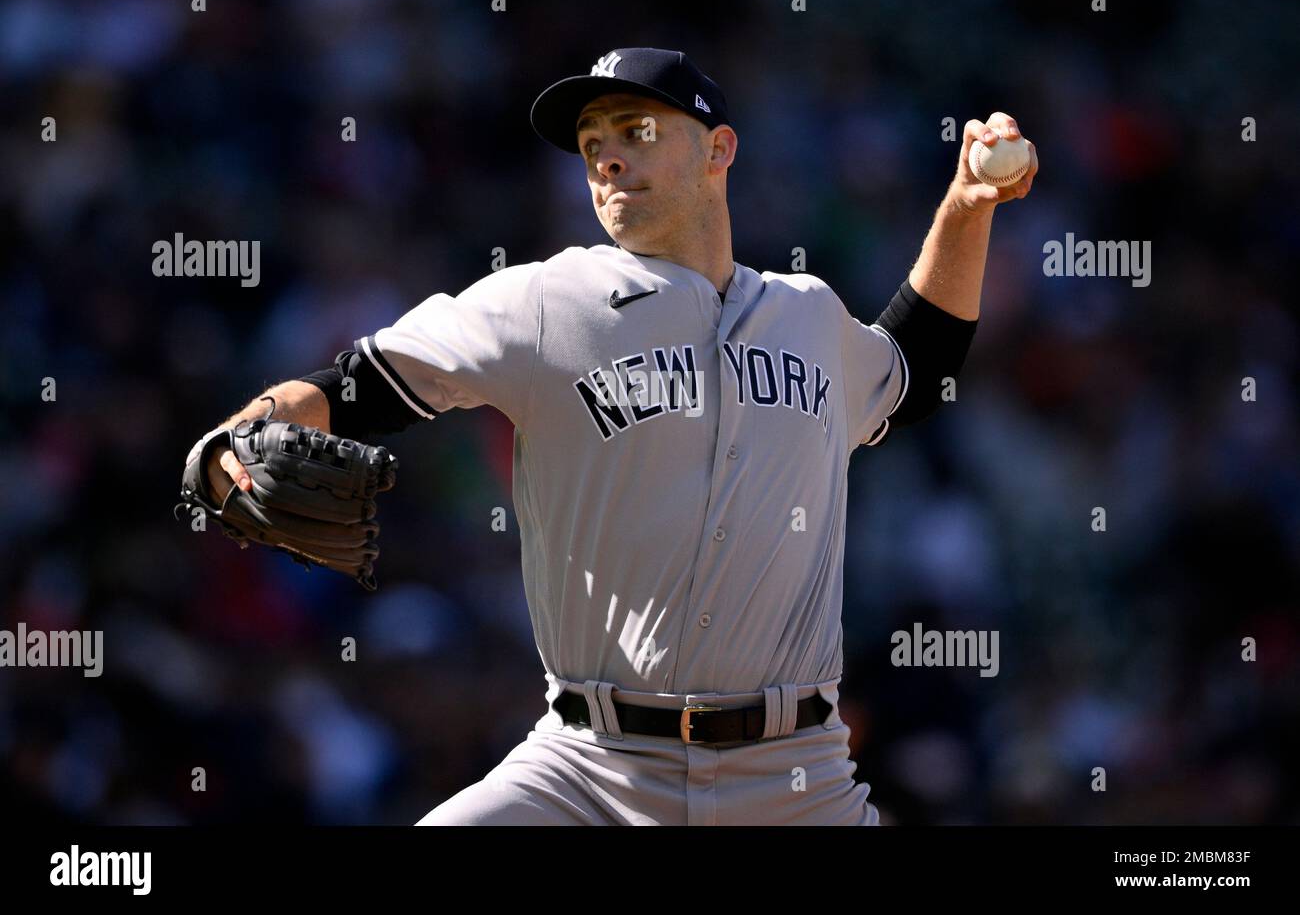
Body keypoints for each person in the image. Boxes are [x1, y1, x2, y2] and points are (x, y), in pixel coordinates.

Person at [197, 48, 1038, 824]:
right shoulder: (542, 303)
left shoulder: (808, 314)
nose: (605, 155)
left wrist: (966, 208)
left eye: (637, 130)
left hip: (798, 779)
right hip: (588, 770)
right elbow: (351, 387)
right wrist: (235, 439)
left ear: (719, 151)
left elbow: (916, 367)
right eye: (592, 140)